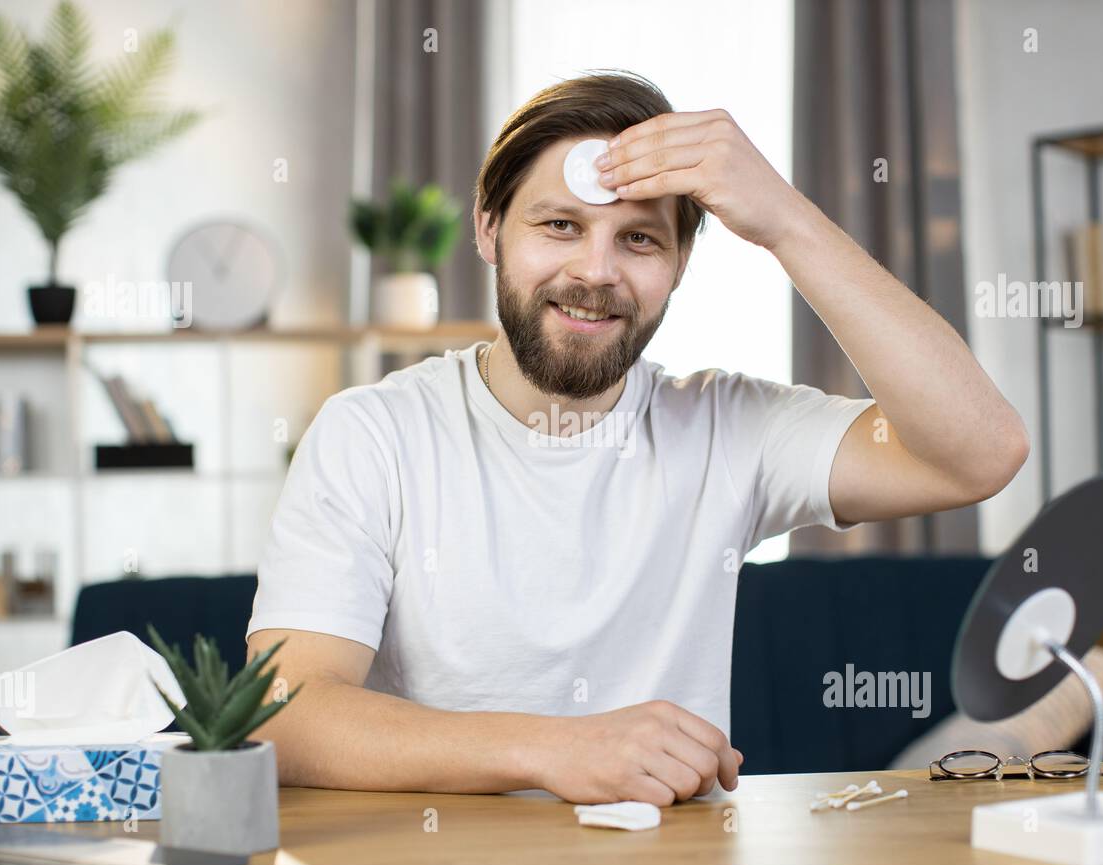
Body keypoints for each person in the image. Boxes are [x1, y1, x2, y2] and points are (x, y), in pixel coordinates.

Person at [244, 70, 1028, 807]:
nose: (596, 271)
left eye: (640, 241)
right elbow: (283, 713)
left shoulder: (729, 428)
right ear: (489, 229)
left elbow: (981, 452)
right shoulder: (373, 433)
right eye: (560, 225)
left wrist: (785, 220)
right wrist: (558, 749)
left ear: (681, 262)